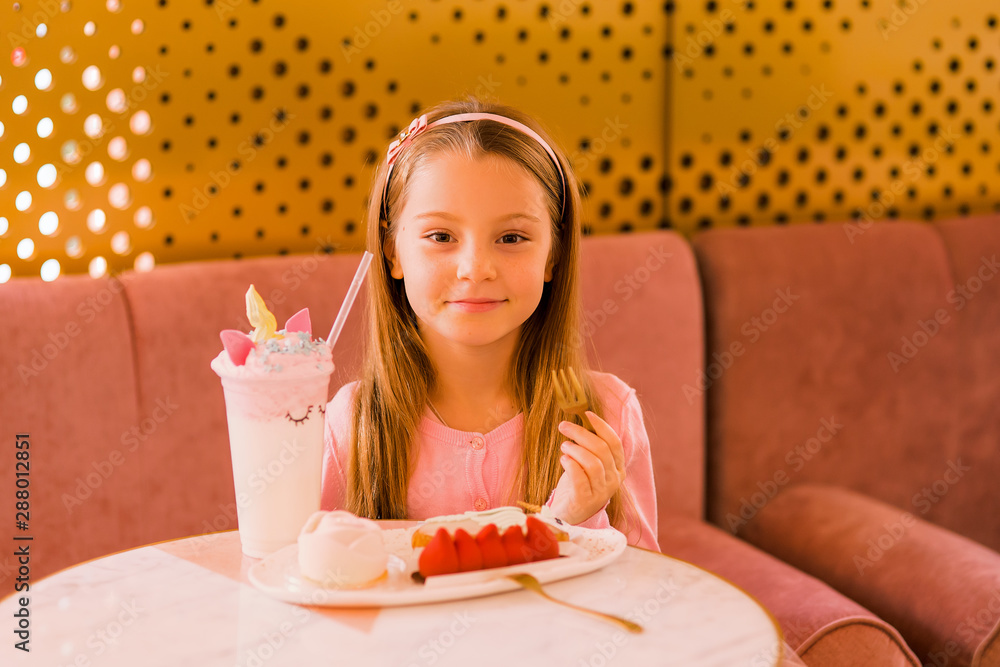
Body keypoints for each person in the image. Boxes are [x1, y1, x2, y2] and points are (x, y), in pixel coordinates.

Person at [321, 95, 658, 551]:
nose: (475, 268)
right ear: (392, 252)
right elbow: (323, 585)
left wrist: (580, 518)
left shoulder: (607, 414)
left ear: (553, 255)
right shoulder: (354, 424)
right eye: (440, 236)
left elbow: (639, 602)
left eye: (512, 237)